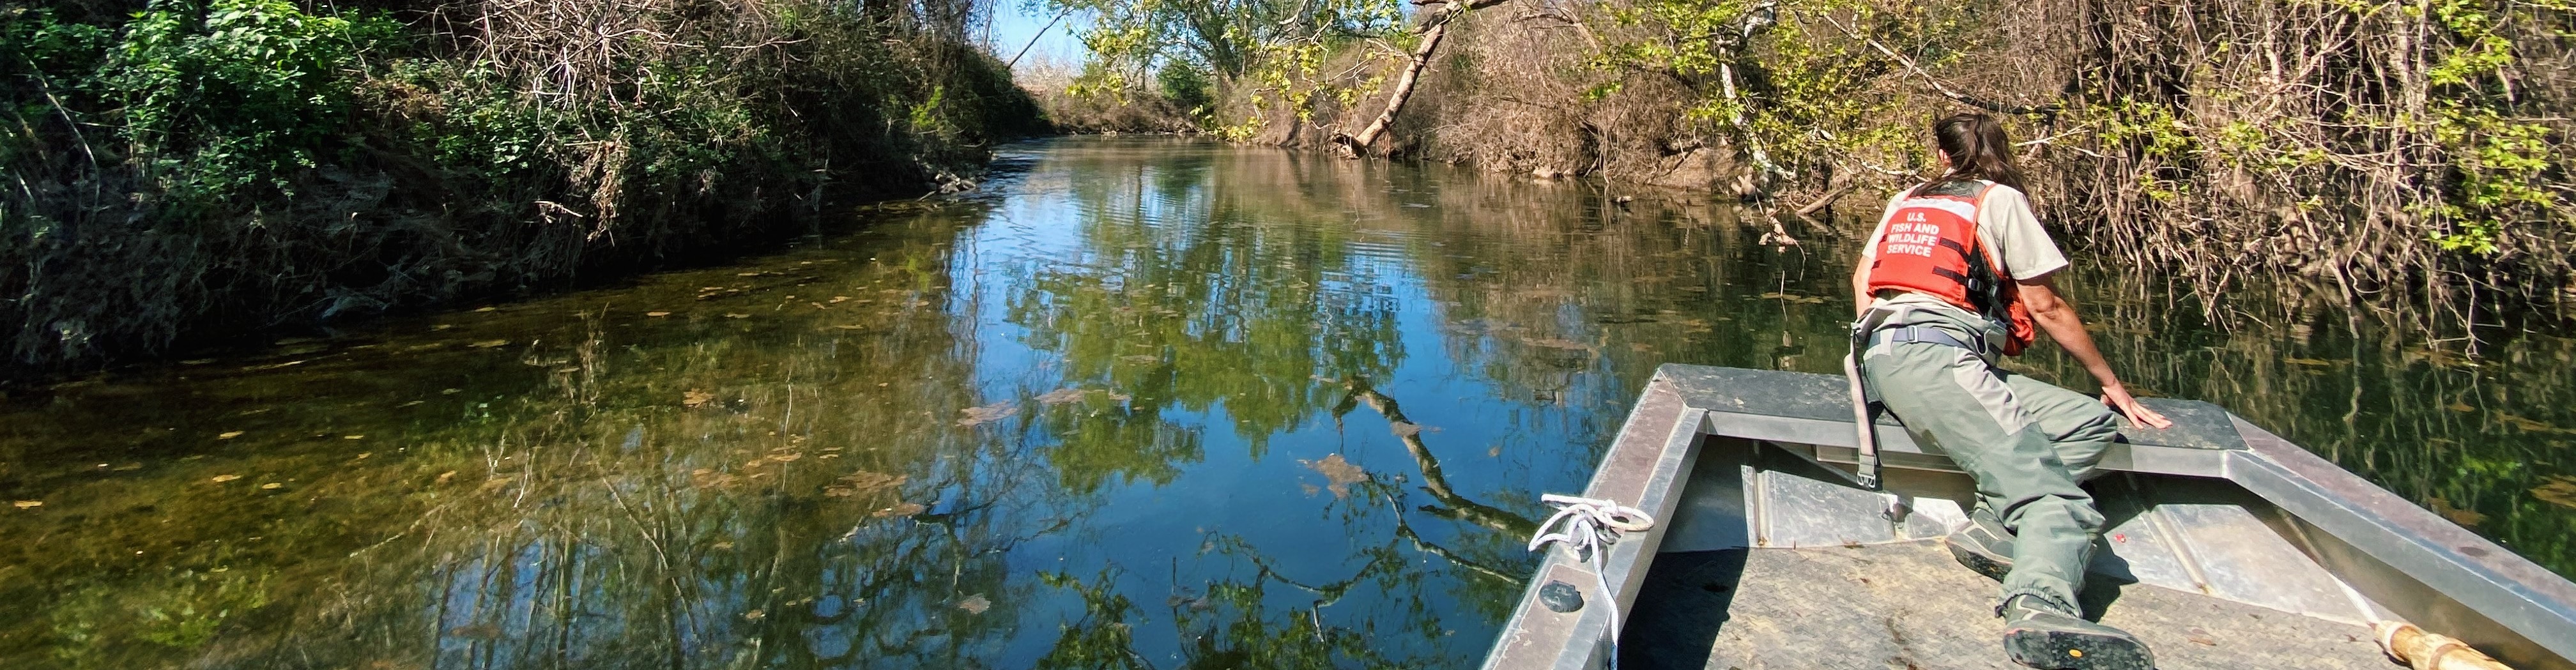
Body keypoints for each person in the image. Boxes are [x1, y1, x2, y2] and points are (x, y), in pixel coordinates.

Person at [1847, 112, 2176, 670]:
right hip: (1938, 360)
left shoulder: (1907, 199)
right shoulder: (1999, 201)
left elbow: (1863, 281)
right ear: (2000, 155)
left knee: (2086, 422)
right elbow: (2045, 306)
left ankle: (1995, 531)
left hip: (1892, 354)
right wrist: (2111, 382)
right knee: (2057, 501)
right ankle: (2040, 601)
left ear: (1944, 156)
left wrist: (1879, 358)